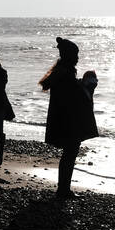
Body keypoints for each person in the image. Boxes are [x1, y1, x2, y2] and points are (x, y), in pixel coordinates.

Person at [40, 37, 98, 200]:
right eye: (76, 55)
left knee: (69, 154)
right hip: (68, 121)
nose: (78, 58)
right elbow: (73, 96)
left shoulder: (61, 71)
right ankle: (63, 189)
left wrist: (80, 84)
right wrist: (86, 87)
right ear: (70, 56)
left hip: (62, 119)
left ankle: (63, 188)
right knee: (70, 154)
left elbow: (69, 91)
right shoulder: (66, 72)